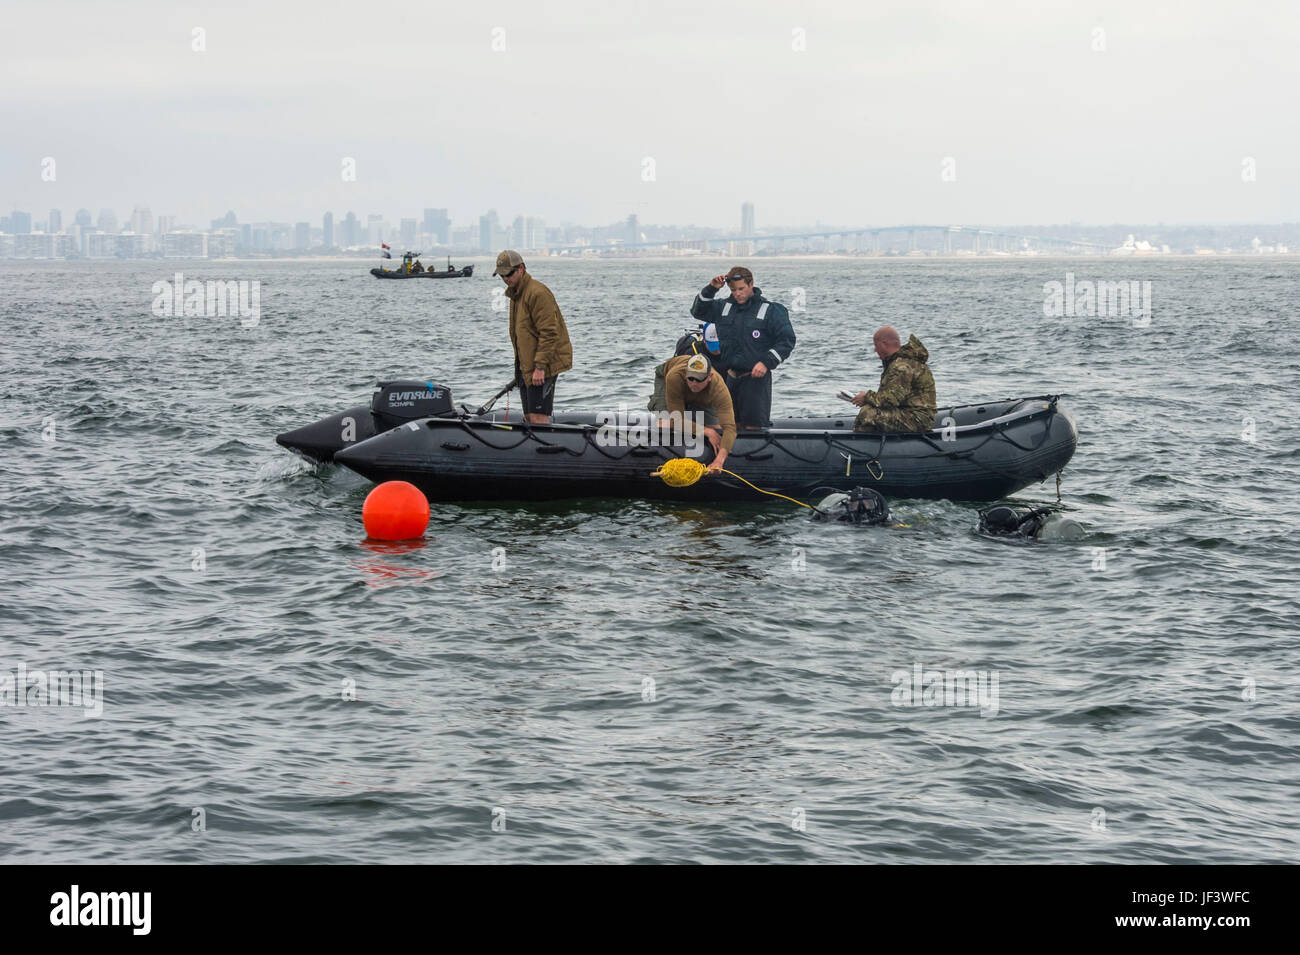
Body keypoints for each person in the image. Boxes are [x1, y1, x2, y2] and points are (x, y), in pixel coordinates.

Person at [689, 266, 795, 430]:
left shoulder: (771, 310)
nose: (737, 293)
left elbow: (787, 341)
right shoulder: (723, 308)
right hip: (731, 378)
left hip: (755, 381)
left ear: (751, 284)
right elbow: (697, 311)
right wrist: (711, 289)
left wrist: (766, 362)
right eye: (733, 290)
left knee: (753, 427)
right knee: (730, 426)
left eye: (741, 289)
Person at [494, 250, 573, 424]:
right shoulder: (516, 295)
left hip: (542, 366)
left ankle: (548, 448)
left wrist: (540, 367)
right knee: (529, 416)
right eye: (502, 276)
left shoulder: (537, 293)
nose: (506, 279)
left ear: (521, 269)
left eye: (509, 274)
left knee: (538, 417)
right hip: (526, 365)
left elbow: (549, 333)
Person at [851, 327, 937, 433]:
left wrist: (866, 397)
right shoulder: (898, 363)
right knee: (871, 410)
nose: (875, 350)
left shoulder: (902, 367)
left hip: (918, 418)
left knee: (868, 413)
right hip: (910, 413)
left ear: (884, 344)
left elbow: (890, 400)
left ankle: (861, 444)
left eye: (876, 346)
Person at [662, 353, 736, 473]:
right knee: (665, 422)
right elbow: (676, 421)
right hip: (667, 379)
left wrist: (719, 461)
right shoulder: (674, 377)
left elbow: (730, 428)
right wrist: (707, 432)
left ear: (710, 376)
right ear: (686, 375)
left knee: (717, 429)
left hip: (703, 396)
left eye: (699, 379)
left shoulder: (718, 388)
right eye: (691, 378)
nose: (694, 383)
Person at [648, 322, 721, 418]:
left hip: (702, 386)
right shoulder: (691, 354)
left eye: (719, 346)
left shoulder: (732, 353)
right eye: (712, 346)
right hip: (671, 380)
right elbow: (679, 382)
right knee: (667, 421)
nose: (716, 350)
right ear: (704, 340)